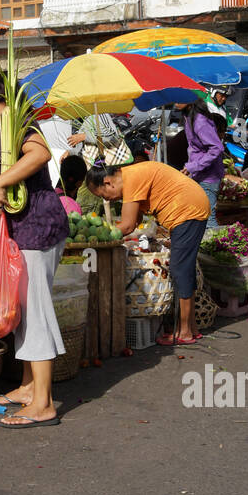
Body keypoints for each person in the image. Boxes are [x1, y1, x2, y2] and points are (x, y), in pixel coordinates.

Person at [0, 68, 68, 428]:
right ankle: (27, 387)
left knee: (35, 313)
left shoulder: (21, 123)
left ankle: (44, 403)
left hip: (37, 229)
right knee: (22, 309)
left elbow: (40, 155)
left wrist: (2, 181)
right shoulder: (5, 128)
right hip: (24, 232)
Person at [86, 160, 209, 344]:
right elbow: (135, 220)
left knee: (180, 269)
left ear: (108, 182)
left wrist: (99, 233)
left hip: (187, 210)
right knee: (184, 269)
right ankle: (191, 327)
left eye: (104, 195)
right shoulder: (130, 175)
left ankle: (184, 332)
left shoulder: (131, 179)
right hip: (191, 207)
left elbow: (127, 225)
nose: (108, 200)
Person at [174, 98, 226, 230]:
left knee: (208, 220)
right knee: (198, 217)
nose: (175, 101)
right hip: (198, 175)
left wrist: (193, 166)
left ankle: (219, 248)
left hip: (208, 177)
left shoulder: (200, 121)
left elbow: (216, 148)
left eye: (178, 97)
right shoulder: (189, 118)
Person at [67, 113, 132, 167]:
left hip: (109, 167)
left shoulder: (98, 113)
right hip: (96, 167)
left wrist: (85, 137)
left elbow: (111, 137)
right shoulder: (80, 118)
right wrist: (70, 153)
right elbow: (82, 146)